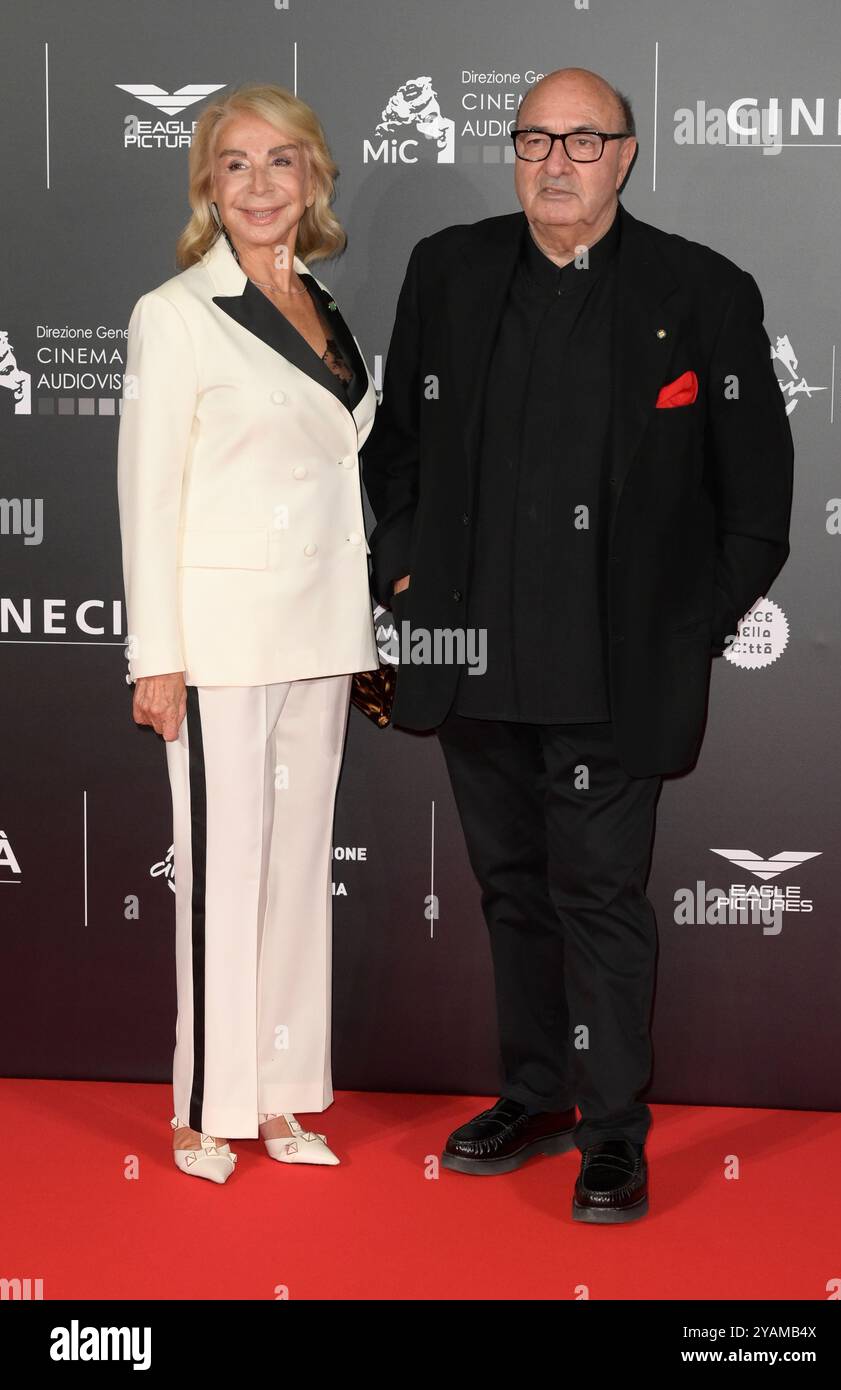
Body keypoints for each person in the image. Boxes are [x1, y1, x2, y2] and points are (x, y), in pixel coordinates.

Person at [363, 67, 793, 1222]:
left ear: (626, 154)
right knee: (511, 891)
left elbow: (755, 502)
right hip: (472, 658)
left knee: (597, 897)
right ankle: (535, 1091)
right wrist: (402, 571)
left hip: (611, 677)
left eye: (583, 139)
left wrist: (679, 627)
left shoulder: (699, 291)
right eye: (535, 138)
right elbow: (393, 446)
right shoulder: (446, 272)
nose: (556, 160)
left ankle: (612, 1132)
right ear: (513, 151)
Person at [117, 82, 378, 1184]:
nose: (261, 184)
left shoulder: (326, 301)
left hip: (320, 633)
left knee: (292, 874)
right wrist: (156, 654)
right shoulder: (174, 312)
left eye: (282, 162)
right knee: (222, 877)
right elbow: (149, 492)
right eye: (237, 164)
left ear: (312, 177)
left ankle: (277, 1097)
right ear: (207, 186)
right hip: (221, 640)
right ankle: (197, 1106)